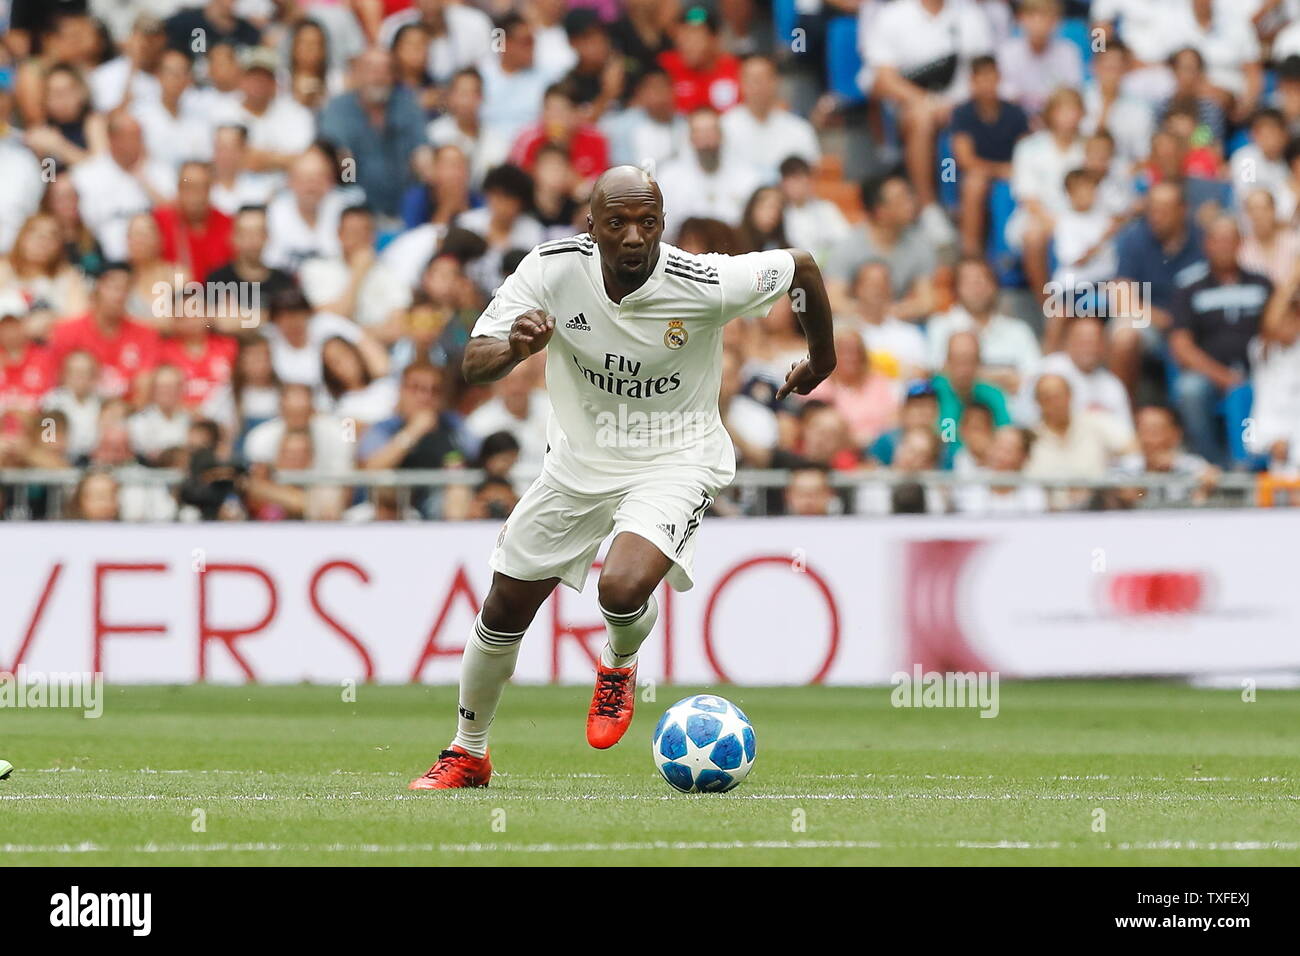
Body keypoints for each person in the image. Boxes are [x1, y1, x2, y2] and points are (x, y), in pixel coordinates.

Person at [409, 165, 835, 790]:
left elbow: (800, 265)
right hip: (579, 463)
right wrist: (515, 350)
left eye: (647, 222)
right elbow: (474, 364)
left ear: (662, 225)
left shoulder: (705, 282)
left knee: (621, 586)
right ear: (591, 226)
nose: (634, 236)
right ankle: (468, 752)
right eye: (617, 223)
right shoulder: (551, 270)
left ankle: (619, 661)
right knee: (502, 609)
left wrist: (821, 360)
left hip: (677, 456)